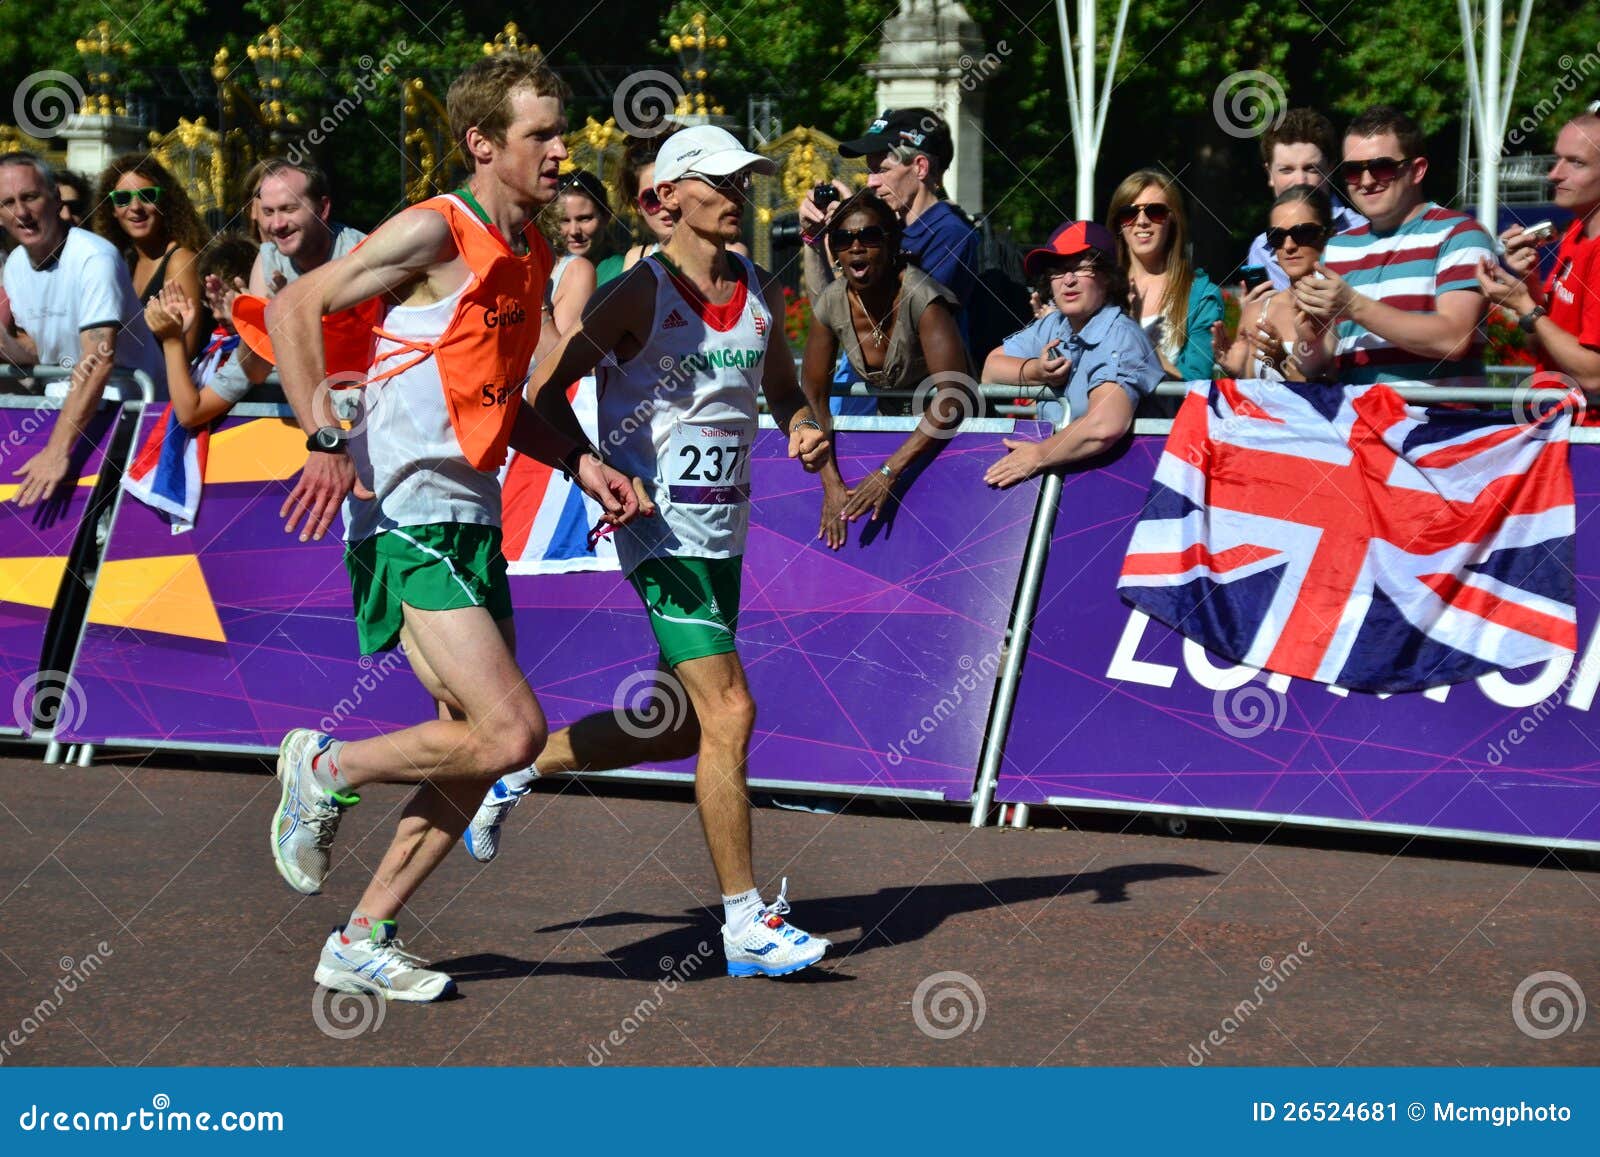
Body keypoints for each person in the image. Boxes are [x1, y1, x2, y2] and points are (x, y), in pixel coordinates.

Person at [261, 54, 638, 1001]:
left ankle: (362, 934)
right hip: (406, 511)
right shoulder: (441, 227)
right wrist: (319, 430)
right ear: (483, 143)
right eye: (540, 135)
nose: (561, 150)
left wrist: (582, 461)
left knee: (472, 741)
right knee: (511, 732)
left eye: (562, 131)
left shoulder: (534, 255)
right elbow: (295, 301)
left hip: (468, 512)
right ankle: (324, 763)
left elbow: (504, 403)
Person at [463, 124, 835, 980]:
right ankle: (745, 922)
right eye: (720, 180)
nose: (738, 193)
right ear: (665, 197)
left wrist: (804, 427)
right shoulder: (639, 292)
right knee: (732, 710)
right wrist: (594, 470)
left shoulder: (752, 286)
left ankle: (519, 766)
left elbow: (781, 388)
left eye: (746, 180)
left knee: (674, 724)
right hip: (657, 532)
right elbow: (543, 394)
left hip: (723, 538)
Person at [801, 190, 971, 547]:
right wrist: (831, 483)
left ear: (892, 243)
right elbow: (814, 394)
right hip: (892, 432)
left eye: (870, 236)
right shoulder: (832, 302)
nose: (857, 246)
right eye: (844, 238)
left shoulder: (923, 298)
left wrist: (888, 471)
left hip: (951, 438)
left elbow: (954, 397)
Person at [0, 153, 166, 507]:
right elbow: (38, 352)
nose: (22, 212)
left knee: (92, 547)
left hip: (129, 417)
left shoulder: (94, 258)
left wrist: (57, 450)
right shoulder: (14, 265)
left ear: (56, 200)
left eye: (30, 197)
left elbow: (98, 359)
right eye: (8, 202)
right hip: (64, 410)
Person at [1293, 105, 1493, 389]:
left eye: (1381, 167)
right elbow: (1315, 364)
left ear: (1417, 170)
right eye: (1352, 171)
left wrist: (1354, 305)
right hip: (1357, 425)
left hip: (1438, 427)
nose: (1366, 181)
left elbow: (1453, 339)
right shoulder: (1337, 248)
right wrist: (1310, 340)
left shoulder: (1460, 234)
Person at [982, 220, 1164, 487]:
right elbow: (991, 369)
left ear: (1108, 276)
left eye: (1080, 266)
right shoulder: (1054, 324)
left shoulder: (1121, 335)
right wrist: (1037, 371)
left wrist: (1037, 455)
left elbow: (1104, 426)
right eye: (1057, 270)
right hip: (1069, 486)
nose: (1068, 280)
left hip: (1120, 488)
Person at [1475, 108, 1600, 398]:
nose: (1554, 174)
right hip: (1555, 423)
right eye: (1558, 158)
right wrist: (1529, 283)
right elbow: (1539, 342)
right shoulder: (1575, 234)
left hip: (1587, 434)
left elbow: (1594, 376)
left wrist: (1524, 305)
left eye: (1576, 163)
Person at [1107, 169, 1223, 382]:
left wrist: (1140, 338)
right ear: (1118, 224)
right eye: (1129, 213)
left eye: (1155, 212)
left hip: (1168, 415)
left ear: (1173, 220)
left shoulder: (1202, 296)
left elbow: (1197, 383)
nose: (1141, 221)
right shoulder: (1099, 288)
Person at [91, 153, 210, 356]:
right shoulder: (123, 260)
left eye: (147, 196)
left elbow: (185, 350)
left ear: (164, 201)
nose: (135, 207)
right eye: (122, 199)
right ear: (111, 210)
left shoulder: (180, 259)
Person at [1215, 186, 1335, 382]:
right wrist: (1234, 371)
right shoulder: (1256, 312)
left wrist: (1281, 362)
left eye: (1302, 233)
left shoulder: (1342, 309)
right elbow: (1251, 393)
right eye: (1277, 237)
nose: (1288, 246)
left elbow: (1333, 396)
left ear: (1327, 234)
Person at [142, 233, 260, 428]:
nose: (216, 315)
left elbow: (190, 412)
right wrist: (178, 337)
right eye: (209, 303)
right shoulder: (217, 344)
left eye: (223, 300)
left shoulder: (254, 346)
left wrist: (172, 341)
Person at [1242, 109, 1366, 289]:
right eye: (1286, 170)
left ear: (1330, 170)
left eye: (1311, 168)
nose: (1300, 181)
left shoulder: (1363, 232)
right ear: (1269, 174)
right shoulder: (1261, 249)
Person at [555, 168, 626, 285]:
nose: (574, 231)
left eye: (584, 219)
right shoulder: (545, 272)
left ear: (606, 217)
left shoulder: (625, 272)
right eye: (564, 220)